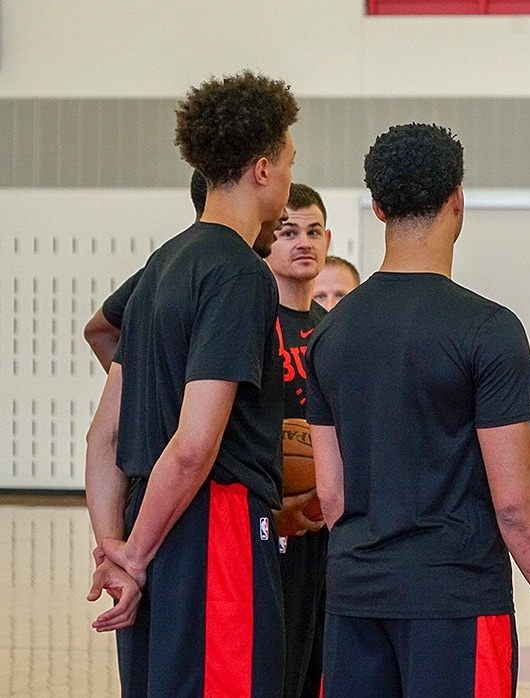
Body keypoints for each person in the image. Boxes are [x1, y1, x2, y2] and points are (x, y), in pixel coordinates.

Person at [303, 123, 530, 697]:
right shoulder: (487, 331)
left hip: (354, 598)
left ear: (378, 207)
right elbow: (516, 505)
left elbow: (333, 495)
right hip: (456, 603)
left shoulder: (329, 334)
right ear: (458, 200)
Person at [84, 71, 298, 697]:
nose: (288, 180)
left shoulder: (160, 266)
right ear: (262, 169)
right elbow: (195, 443)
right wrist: (138, 558)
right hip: (213, 527)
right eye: (288, 163)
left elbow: (103, 437)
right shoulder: (238, 272)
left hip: (144, 517)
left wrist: (115, 550)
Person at [266, 183, 333, 698]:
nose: (303, 242)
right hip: (270, 520)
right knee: (275, 663)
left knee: (319, 662)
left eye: (312, 231)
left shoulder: (333, 329)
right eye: (289, 232)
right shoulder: (256, 322)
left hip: (327, 524)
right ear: (269, 238)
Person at [82, 169, 209, 371]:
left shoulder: (167, 259)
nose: (279, 214)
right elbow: (99, 332)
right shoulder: (221, 268)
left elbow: (98, 331)